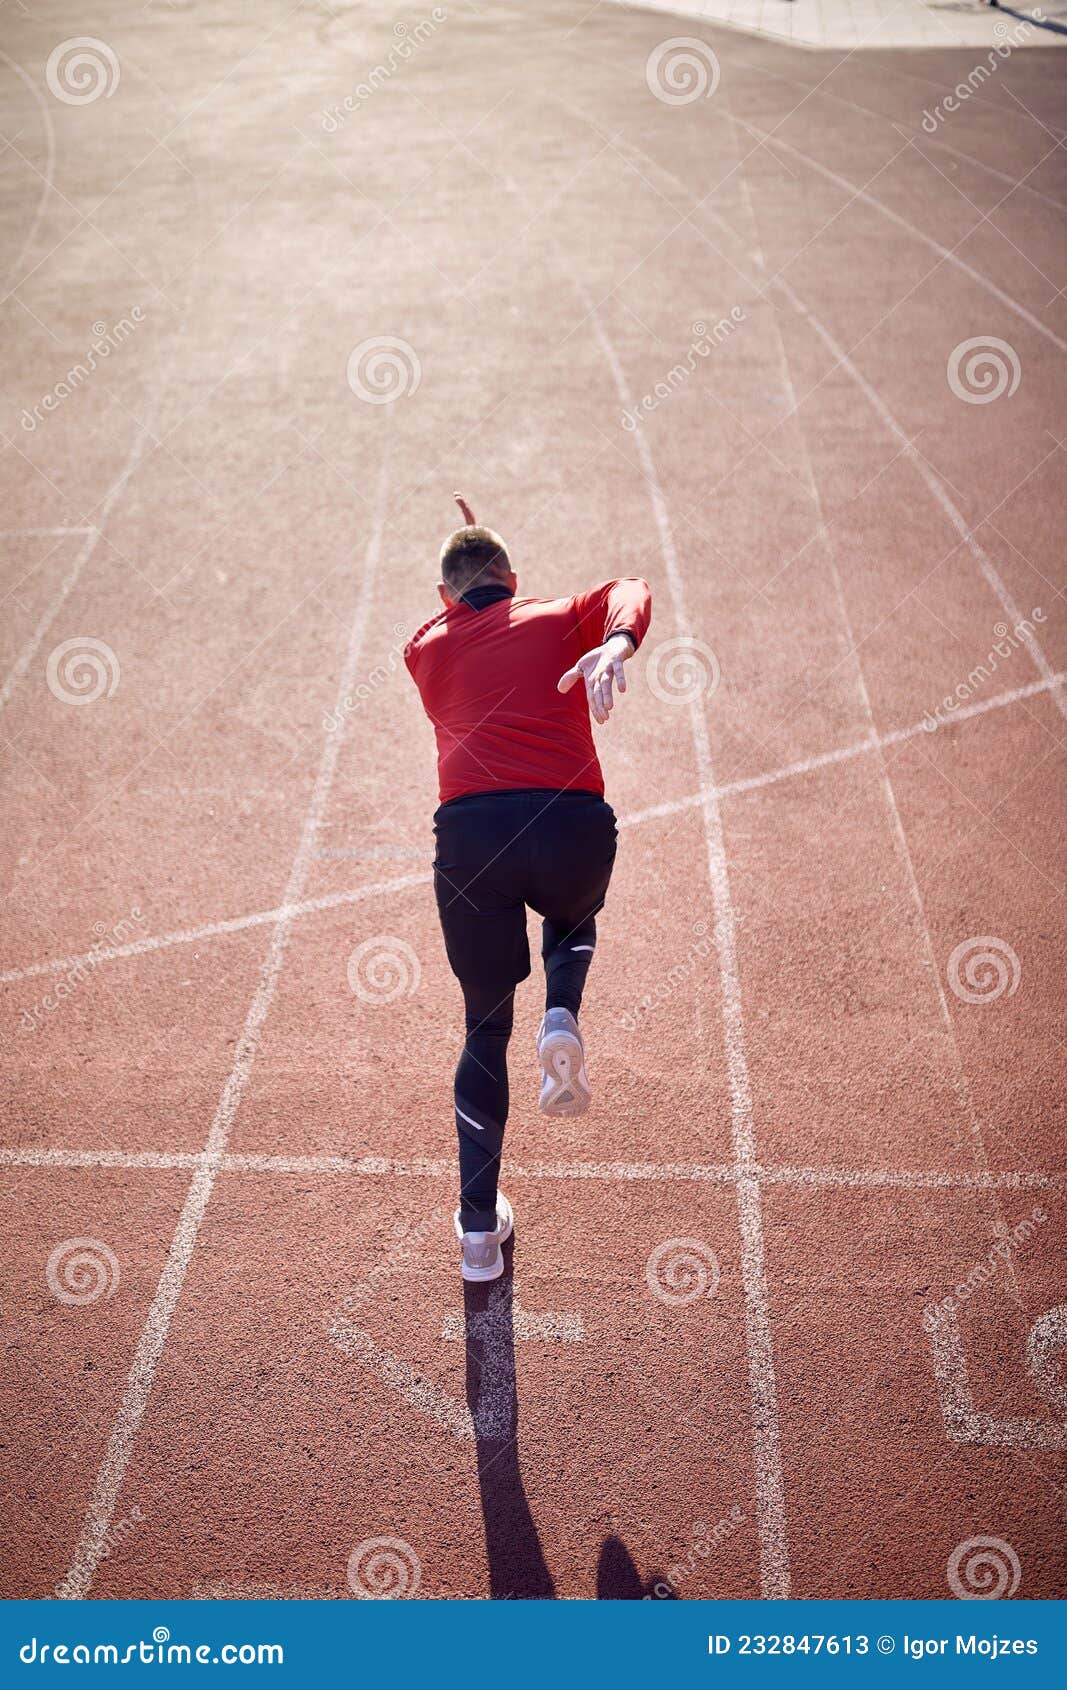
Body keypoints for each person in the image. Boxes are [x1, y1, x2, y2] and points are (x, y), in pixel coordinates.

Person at [404, 496, 652, 1281]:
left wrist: (470, 586)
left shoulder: (423, 650)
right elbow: (631, 588)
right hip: (571, 825)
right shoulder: (557, 618)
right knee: (572, 913)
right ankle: (562, 1007)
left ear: (445, 596)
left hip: (472, 840)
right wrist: (611, 645)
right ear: (515, 578)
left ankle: (478, 1230)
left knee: (482, 1028)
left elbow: (458, 616)